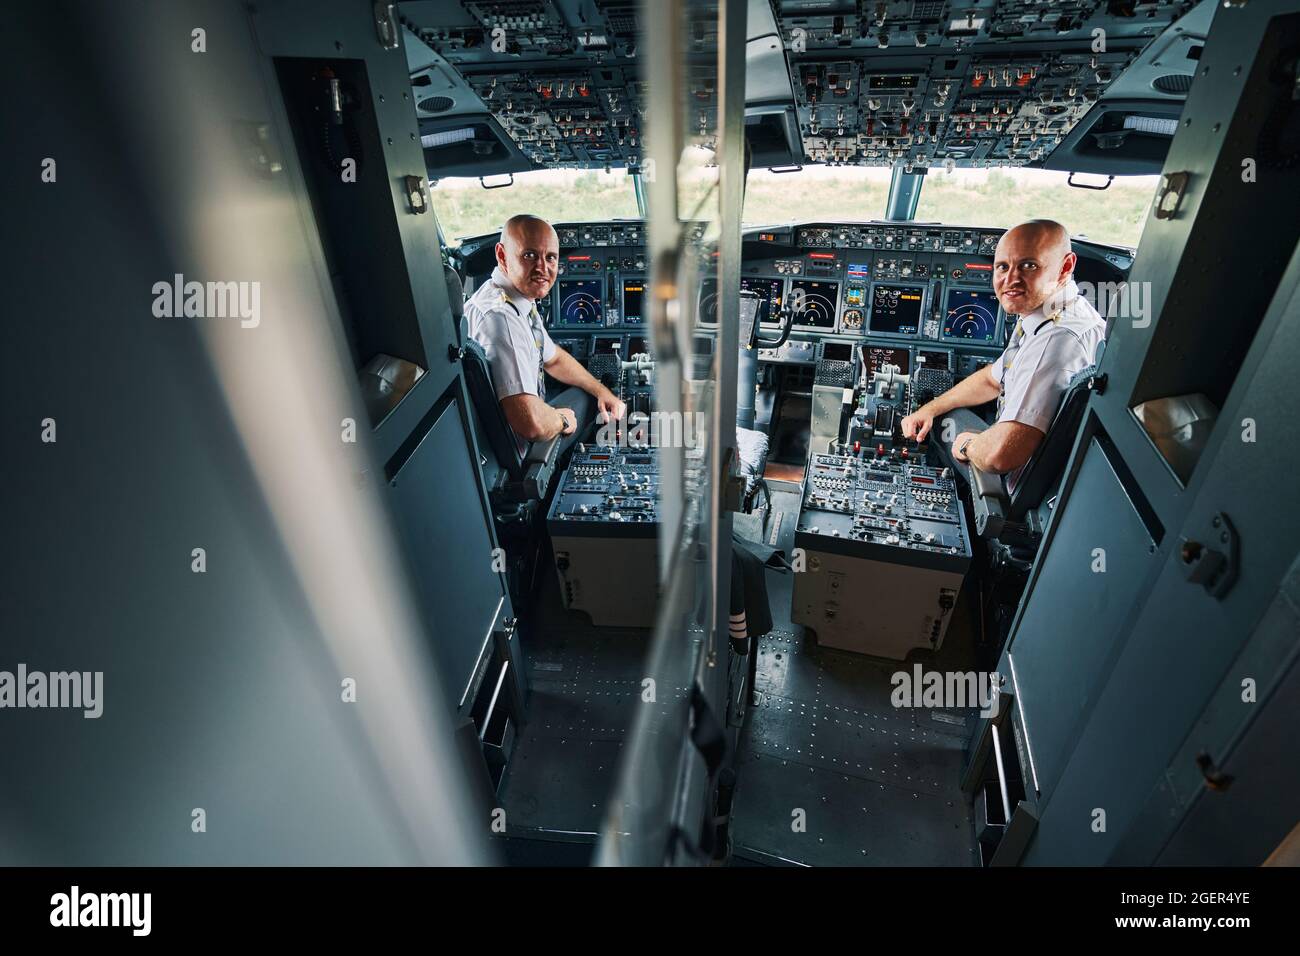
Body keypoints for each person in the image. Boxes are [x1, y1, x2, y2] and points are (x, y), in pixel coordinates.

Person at [899, 219, 1106, 490]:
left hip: (1013, 485)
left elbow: (1001, 455)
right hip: (1038, 463)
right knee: (942, 412)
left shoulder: (1055, 339)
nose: (1011, 280)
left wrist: (967, 444)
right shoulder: (1055, 312)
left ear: (1065, 266)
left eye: (1029, 265)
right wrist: (929, 408)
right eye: (1003, 267)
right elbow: (993, 379)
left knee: (944, 426)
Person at [463, 214, 625, 457]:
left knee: (591, 392)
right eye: (529, 255)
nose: (542, 268)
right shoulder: (502, 318)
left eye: (550, 257)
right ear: (502, 255)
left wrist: (602, 391)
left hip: (504, 437)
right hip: (522, 454)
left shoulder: (517, 299)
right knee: (588, 405)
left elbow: (554, 358)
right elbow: (531, 423)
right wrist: (562, 419)